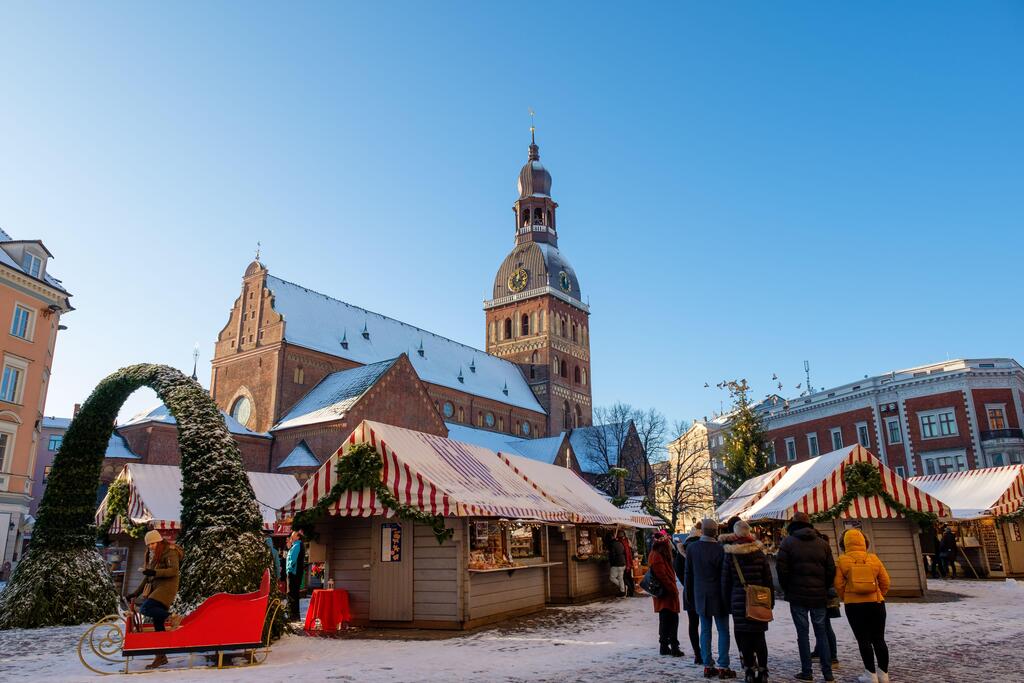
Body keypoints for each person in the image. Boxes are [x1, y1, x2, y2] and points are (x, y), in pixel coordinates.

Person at [776, 512, 835, 682]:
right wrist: (823, 586)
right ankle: (827, 671)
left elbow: (782, 570)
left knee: (802, 634)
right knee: (821, 633)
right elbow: (831, 570)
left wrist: (788, 588)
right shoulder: (823, 544)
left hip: (797, 595)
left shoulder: (788, 542)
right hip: (818, 595)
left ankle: (807, 671)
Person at [835, 528, 891, 683]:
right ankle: (883, 673)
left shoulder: (842, 560)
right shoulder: (873, 558)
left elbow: (838, 584)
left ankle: (870, 673)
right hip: (876, 603)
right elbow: (885, 581)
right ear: (864, 542)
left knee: (863, 639)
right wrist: (879, 594)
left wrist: (846, 596)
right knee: (879, 639)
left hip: (854, 606)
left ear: (844, 543)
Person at [721, 520, 774, 683]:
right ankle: (763, 671)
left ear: (736, 534)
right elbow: (768, 579)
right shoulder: (759, 552)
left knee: (744, 637)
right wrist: (769, 601)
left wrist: (727, 602)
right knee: (759, 636)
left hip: (738, 600)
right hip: (758, 599)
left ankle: (749, 670)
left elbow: (725, 581)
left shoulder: (730, 554)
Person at [686, 518, 735, 679]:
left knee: (705, 630)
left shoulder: (692, 549)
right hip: (719, 595)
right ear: (716, 532)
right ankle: (723, 665)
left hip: (700, 594)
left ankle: (707, 664)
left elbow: (688, 574)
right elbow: (726, 576)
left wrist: (689, 594)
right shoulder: (721, 549)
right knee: (723, 631)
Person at [136, 529, 183, 669]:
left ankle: (173, 617)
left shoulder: (170, 551)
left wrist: (154, 572)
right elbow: (148, 577)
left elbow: (174, 570)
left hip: (167, 588)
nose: (150, 547)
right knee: (158, 625)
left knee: (145, 608)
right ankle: (161, 657)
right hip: (158, 588)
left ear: (158, 541)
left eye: (152, 544)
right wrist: (134, 593)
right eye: (149, 545)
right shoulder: (155, 555)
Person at [649, 531, 683, 656]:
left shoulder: (659, 554)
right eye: (668, 542)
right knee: (670, 620)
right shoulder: (658, 555)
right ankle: (671, 646)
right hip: (665, 593)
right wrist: (672, 589)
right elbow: (662, 575)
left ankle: (666, 645)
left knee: (666, 620)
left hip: (665, 593)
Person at [813, 533, 840, 668]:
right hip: (824, 594)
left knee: (825, 626)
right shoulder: (826, 556)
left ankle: (833, 657)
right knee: (821, 624)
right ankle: (820, 651)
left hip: (825, 595)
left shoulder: (824, 558)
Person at [682, 522, 704, 665]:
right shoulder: (702, 546)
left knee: (693, 623)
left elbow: (678, 569)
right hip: (704, 589)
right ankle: (705, 653)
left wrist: (686, 583)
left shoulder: (684, 547)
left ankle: (698, 653)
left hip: (689, 590)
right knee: (706, 623)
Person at [286, 530, 306, 621]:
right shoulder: (296, 545)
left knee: (292, 593)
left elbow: (292, 559)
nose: (291, 536)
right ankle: (294, 615)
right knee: (294, 594)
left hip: (293, 573)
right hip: (295, 572)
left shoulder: (297, 545)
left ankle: (293, 615)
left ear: (298, 537)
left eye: (293, 535)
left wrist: (289, 570)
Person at [618, 530, 636, 596]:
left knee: (625, 578)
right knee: (629, 577)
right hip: (628, 562)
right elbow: (630, 552)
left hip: (625, 562)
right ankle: (632, 591)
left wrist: (627, 563)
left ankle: (631, 591)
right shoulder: (627, 541)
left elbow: (626, 553)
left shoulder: (622, 542)